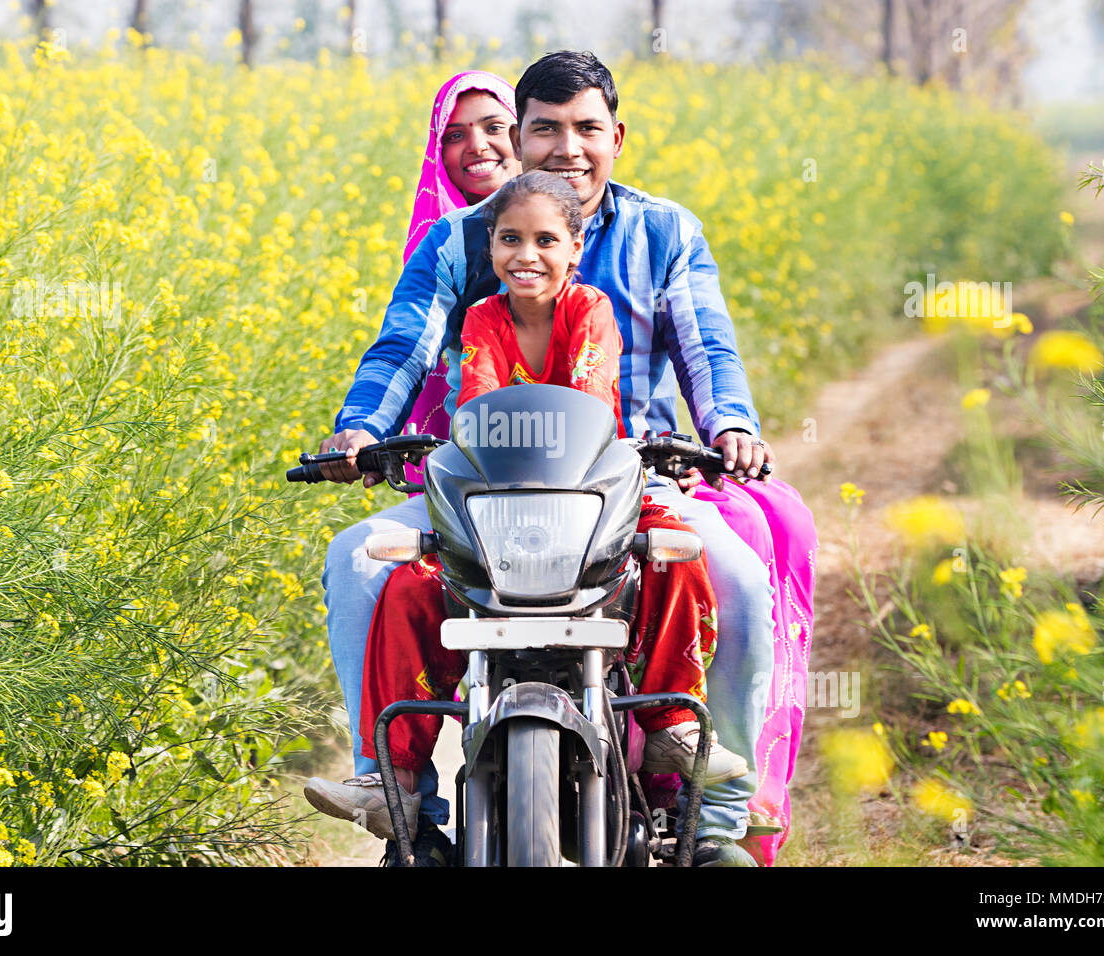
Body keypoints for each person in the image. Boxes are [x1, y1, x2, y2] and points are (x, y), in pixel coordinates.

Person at [315, 52, 816, 868]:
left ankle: (713, 822)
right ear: (519, 138)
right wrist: (360, 430)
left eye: (587, 129)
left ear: (616, 137)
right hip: (483, 489)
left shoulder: (666, 231)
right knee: (358, 563)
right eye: (545, 129)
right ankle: (403, 809)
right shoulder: (463, 240)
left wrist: (728, 425)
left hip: (630, 479)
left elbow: (708, 349)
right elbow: (404, 344)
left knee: (736, 577)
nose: (567, 148)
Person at [304, 171, 746, 841]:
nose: (526, 255)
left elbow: (592, 401)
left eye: (546, 239)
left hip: (590, 495)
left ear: (576, 245)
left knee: (674, 556)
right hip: (494, 505)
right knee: (405, 587)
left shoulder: (591, 309)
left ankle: (673, 727)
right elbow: (478, 410)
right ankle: (390, 776)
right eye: (510, 239)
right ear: (491, 246)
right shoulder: (481, 318)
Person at [400, 71, 520, 485]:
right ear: (438, 152)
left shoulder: (587, 230)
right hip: (473, 471)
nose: (477, 146)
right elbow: (405, 348)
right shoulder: (441, 244)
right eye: (454, 135)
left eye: (494, 127)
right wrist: (363, 425)